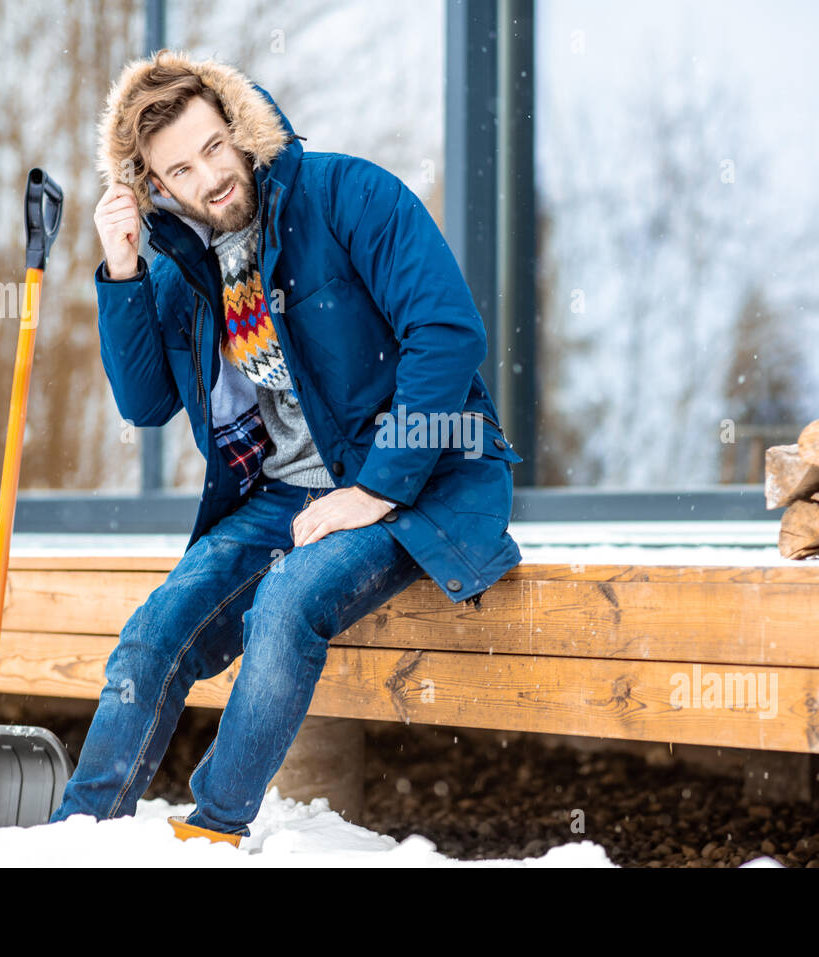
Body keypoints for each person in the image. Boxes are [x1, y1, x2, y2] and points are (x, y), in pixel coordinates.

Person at [47, 49, 523, 848]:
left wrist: (375, 489)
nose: (209, 178)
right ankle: (79, 831)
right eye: (180, 170)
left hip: (419, 480)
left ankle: (215, 830)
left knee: (285, 602)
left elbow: (446, 333)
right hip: (279, 496)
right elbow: (146, 401)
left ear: (239, 129)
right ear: (155, 188)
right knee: (154, 631)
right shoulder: (185, 273)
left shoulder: (346, 194)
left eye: (213, 149)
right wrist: (123, 269)